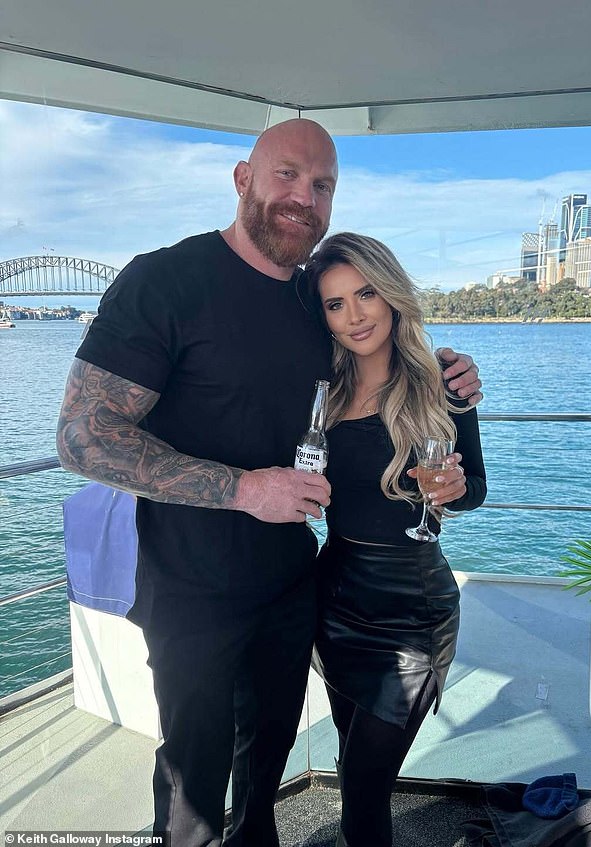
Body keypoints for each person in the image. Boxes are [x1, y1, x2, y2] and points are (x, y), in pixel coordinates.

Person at [56, 118, 483, 847]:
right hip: (191, 587)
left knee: (266, 767)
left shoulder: (311, 296)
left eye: (322, 185)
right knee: (192, 784)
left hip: (294, 585)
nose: (303, 197)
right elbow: (81, 437)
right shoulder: (165, 279)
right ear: (242, 178)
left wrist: (453, 379)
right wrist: (244, 489)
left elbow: (373, 358)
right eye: (287, 174)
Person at [303, 232, 487, 847]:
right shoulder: (321, 391)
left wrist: (454, 488)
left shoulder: (443, 383)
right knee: (353, 765)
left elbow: (475, 488)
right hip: (335, 597)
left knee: (364, 780)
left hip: (412, 608)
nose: (355, 316)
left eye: (366, 294)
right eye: (335, 304)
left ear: (391, 294)